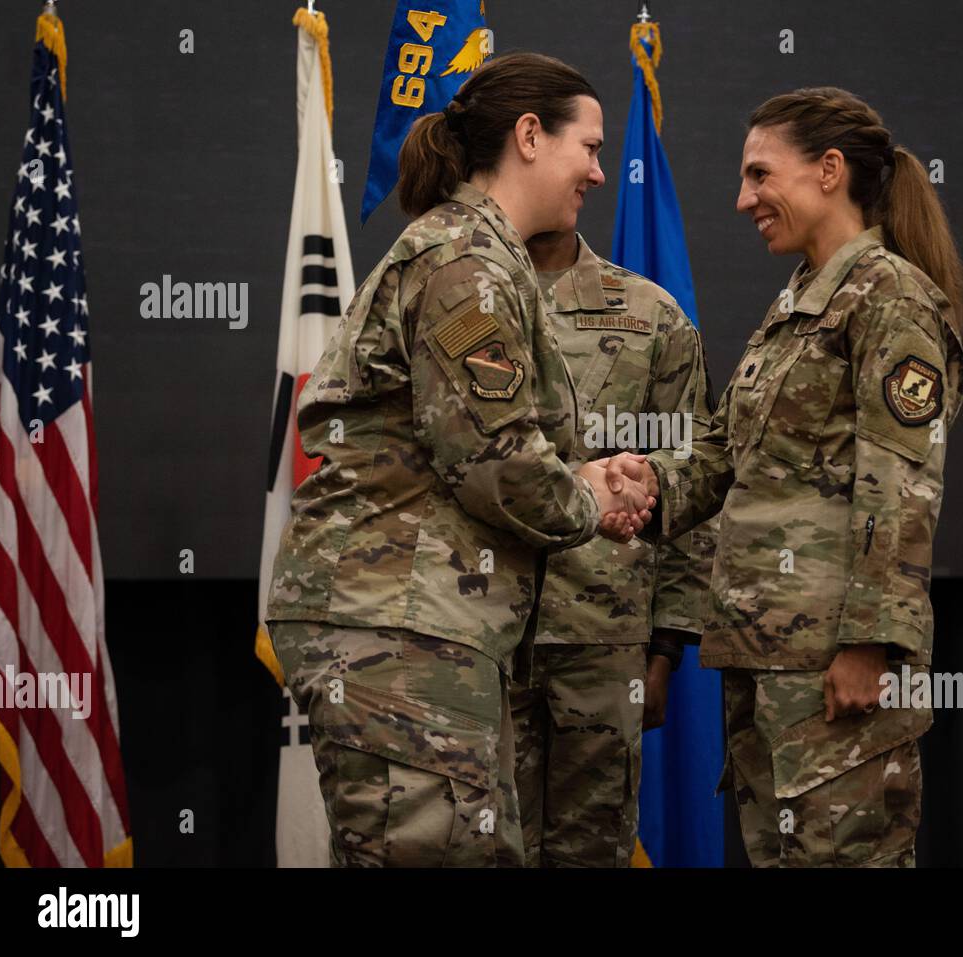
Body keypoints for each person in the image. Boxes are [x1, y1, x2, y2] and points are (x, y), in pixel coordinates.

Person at [264, 52, 654, 868]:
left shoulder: (477, 255)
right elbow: (496, 460)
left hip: (417, 622)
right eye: (587, 145)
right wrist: (588, 496)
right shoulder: (463, 264)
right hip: (397, 624)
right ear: (528, 136)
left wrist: (582, 480)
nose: (597, 169)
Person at [606, 87, 963, 867]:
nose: (744, 199)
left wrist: (870, 646)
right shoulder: (795, 307)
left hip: (837, 670)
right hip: (767, 667)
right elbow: (723, 457)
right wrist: (644, 482)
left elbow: (901, 483)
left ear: (829, 170)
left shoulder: (890, 297)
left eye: (760, 175)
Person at [511, 228, 715, 867]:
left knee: (590, 854)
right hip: (477, 636)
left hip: (602, 645)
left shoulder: (650, 315)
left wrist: (665, 649)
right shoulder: (459, 296)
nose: (593, 170)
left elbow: (692, 490)